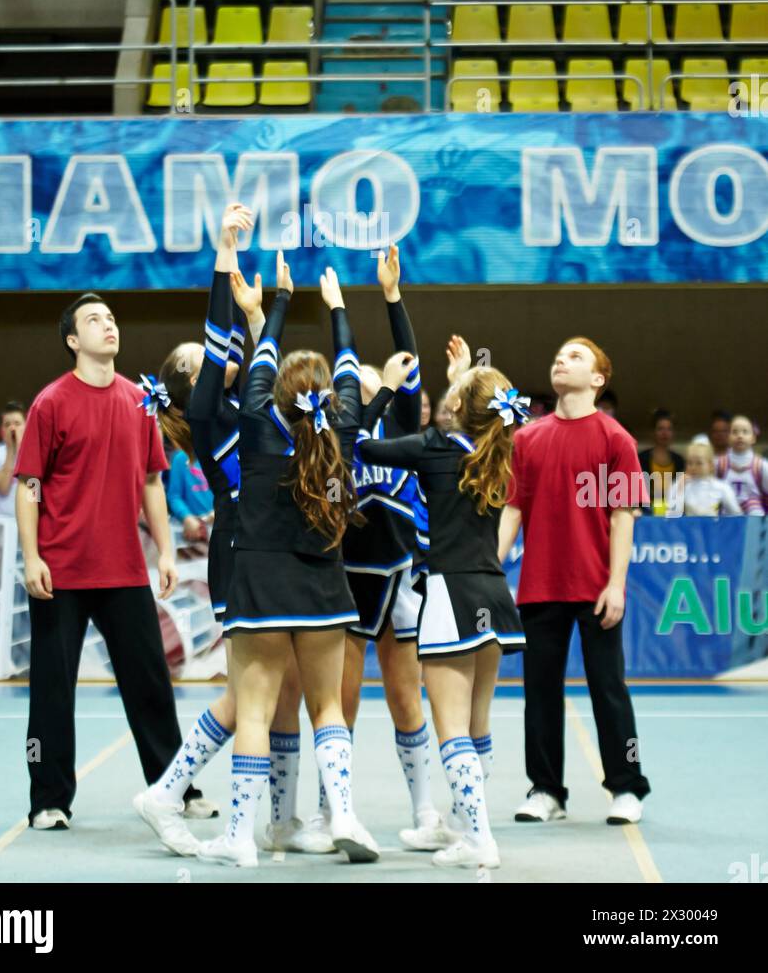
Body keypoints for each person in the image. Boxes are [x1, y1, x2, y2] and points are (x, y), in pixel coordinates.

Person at [134, 205, 312, 858]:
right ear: (194, 377)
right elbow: (220, 333)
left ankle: (275, 823)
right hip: (240, 557)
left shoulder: (246, 403)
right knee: (251, 692)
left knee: (276, 687)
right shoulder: (208, 409)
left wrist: (268, 311)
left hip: (268, 552)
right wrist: (224, 249)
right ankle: (172, 794)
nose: (227, 350)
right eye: (212, 354)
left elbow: (262, 357)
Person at [196, 254, 379, 869]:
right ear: (330, 393)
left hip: (259, 582)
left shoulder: (255, 419)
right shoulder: (345, 427)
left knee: (253, 709)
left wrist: (276, 302)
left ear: (272, 391)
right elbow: (349, 372)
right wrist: (339, 309)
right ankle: (344, 812)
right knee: (327, 707)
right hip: (323, 583)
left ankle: (241, 836)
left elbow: (263, 361)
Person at [14, 291, 210, 831]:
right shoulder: (50, 403)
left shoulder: (138, 401)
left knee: (150, 685)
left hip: (124, 569)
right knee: (51, 693)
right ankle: (47, 798)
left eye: (112, 318)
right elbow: (29, 486)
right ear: (73, 340)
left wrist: (166, 550)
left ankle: (177, 788)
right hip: (61, 571)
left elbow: (152, 481)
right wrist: (31, 557)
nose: (109, 326)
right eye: (95, 320)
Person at [354, 338, 528, 870]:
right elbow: (471, 415)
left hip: (450, 596)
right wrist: (462, 380)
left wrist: (384, 387)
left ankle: (479, 840)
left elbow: (361, 444)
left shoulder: (433, 446)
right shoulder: (496, 449)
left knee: (450, 727)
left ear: (456, 408)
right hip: (496, 595)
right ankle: (459, 825)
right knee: (477, 726)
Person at [499, 337, 651, 826]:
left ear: (598, 378)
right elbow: (513, 508)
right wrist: (488, 570)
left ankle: (627, 787)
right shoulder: (525, 439)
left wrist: (617, 584)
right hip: (540, 587)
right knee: (539, 691)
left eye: (575, 356)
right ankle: (546, 790)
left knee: (609, 689)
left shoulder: (617, 439)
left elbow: (625, 515)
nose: (561, 360)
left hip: (595, 587)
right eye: (558, 354)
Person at [331, 247, 444, 853]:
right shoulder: (339, 437)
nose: (364, 381)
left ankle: (426, 811)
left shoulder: (399, 427)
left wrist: (393, 296)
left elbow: (412, 363)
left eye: (373, 377)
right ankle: (335, 811)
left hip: (401, 571)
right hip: (349, 575)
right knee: (340, 698)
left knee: (406, 693)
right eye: (353, 380)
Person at [665, 442, 741, 517]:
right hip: (689, 528)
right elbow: (671, 516)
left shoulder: (721, 487)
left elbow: (737, 515)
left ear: (710, 465)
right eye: (690, 463)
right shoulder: (681, 484)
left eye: (699, 463)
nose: (693, 467)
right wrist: (679, 489)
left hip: (713, 528)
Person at [714, 415, 768, 516]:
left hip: (753, 517)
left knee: (755, 511)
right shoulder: (718, 464)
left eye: (745, 432)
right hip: (726, 515)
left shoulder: (761, 466)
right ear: (728, 437)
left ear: (753, 438)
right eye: (735, 432)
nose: (740, 436)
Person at [637, 408, 685, 516]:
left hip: (673, 514)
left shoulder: (679, 461)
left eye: (669, 429)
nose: (665, 433)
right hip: (648, 513)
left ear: (673, 433)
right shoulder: (641, 458)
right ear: (653, 432)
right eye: (660, 429)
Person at [0, 403, 27, 518]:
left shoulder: (36, 453)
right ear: (1, 430)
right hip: (2, 518)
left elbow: (35, 491)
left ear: (26, 426)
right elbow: (3, 488)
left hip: (29, 519)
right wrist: (11, 451)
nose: (12, 428)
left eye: (17, 424)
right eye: (7, 425)